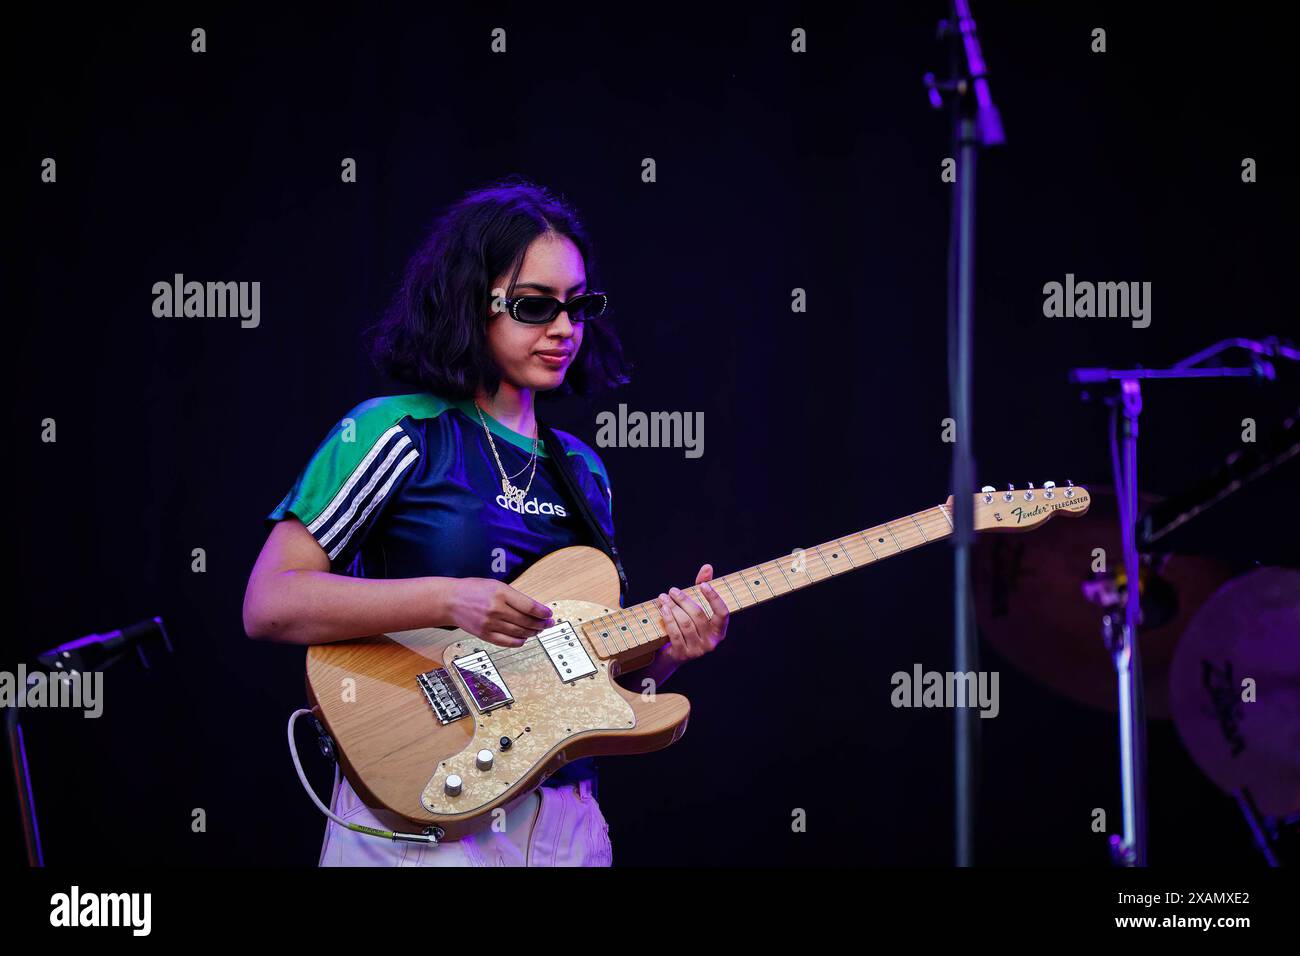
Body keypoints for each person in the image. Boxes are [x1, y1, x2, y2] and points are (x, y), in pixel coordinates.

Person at [242, 177, 730, 866]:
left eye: (577, 306)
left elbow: (586, 677)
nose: (564, 329)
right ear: (471, 303)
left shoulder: (582, 471)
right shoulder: (396, 429)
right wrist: (449, 598)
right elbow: (269, 603)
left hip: (565, 824)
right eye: (534, 306)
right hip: (424, 815)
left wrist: (675, 647)